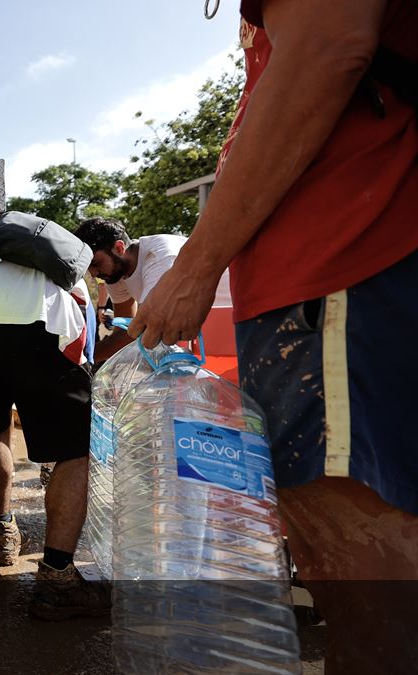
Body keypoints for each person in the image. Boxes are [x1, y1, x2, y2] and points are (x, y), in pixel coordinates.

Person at [129, 1, 418, 669]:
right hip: (324, 287)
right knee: (329, 554)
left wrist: (196, 267)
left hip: (343, 265)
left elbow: (329, 48)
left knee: (359, 555)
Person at [0, 220, 109, 621]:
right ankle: (57, 578)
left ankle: (2, 532)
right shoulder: (61, 264)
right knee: (75, 452)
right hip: (42, 329)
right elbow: (82, 338)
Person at [74, 217, 231, 362]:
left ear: (119, 248)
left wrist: (82, 357)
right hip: (203, 335)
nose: (94, 274)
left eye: (96, 263)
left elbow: (145, 329)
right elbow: (125, 331)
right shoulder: (116, 272)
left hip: (227, 328)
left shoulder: (159, 257)